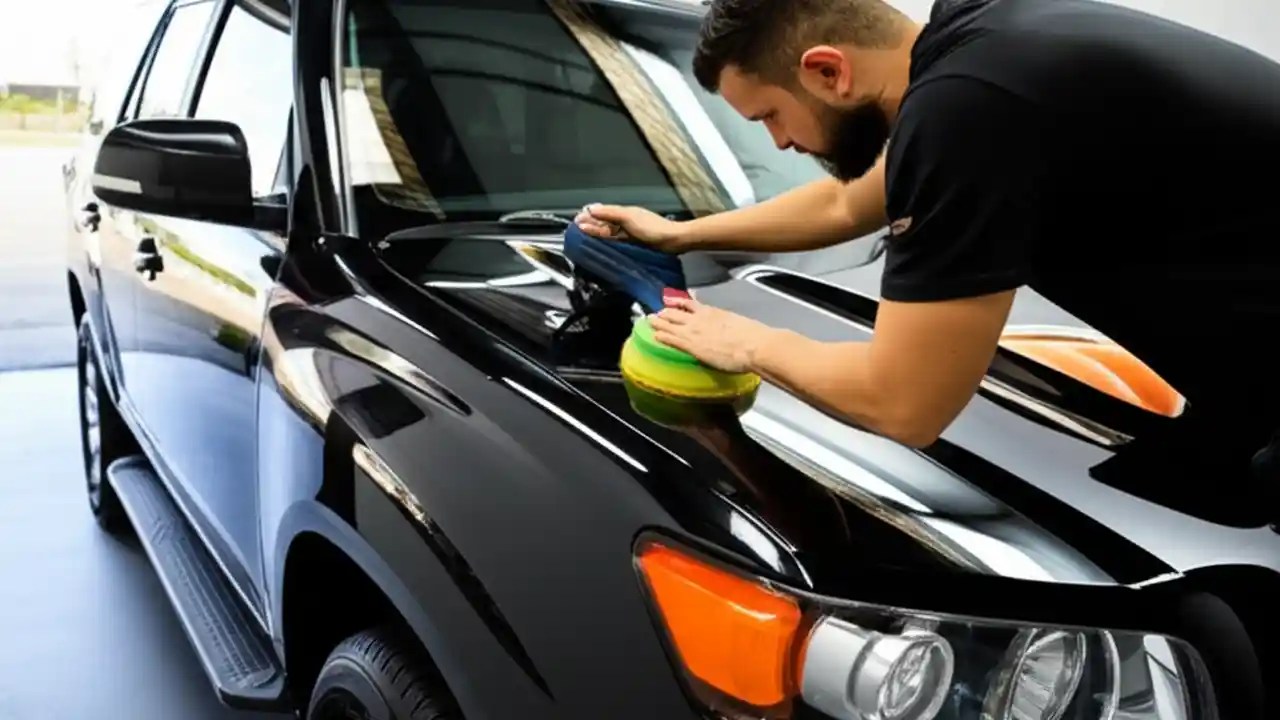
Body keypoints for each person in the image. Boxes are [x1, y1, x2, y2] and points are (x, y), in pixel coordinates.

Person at [574, 0, 1280, 463]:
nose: (780, 144)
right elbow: (844, 207)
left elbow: (903, 403)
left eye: (768, 117)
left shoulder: (966, 111)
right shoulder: (980, 41)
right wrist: (679, 235)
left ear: (827, 71)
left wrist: (748, 343)